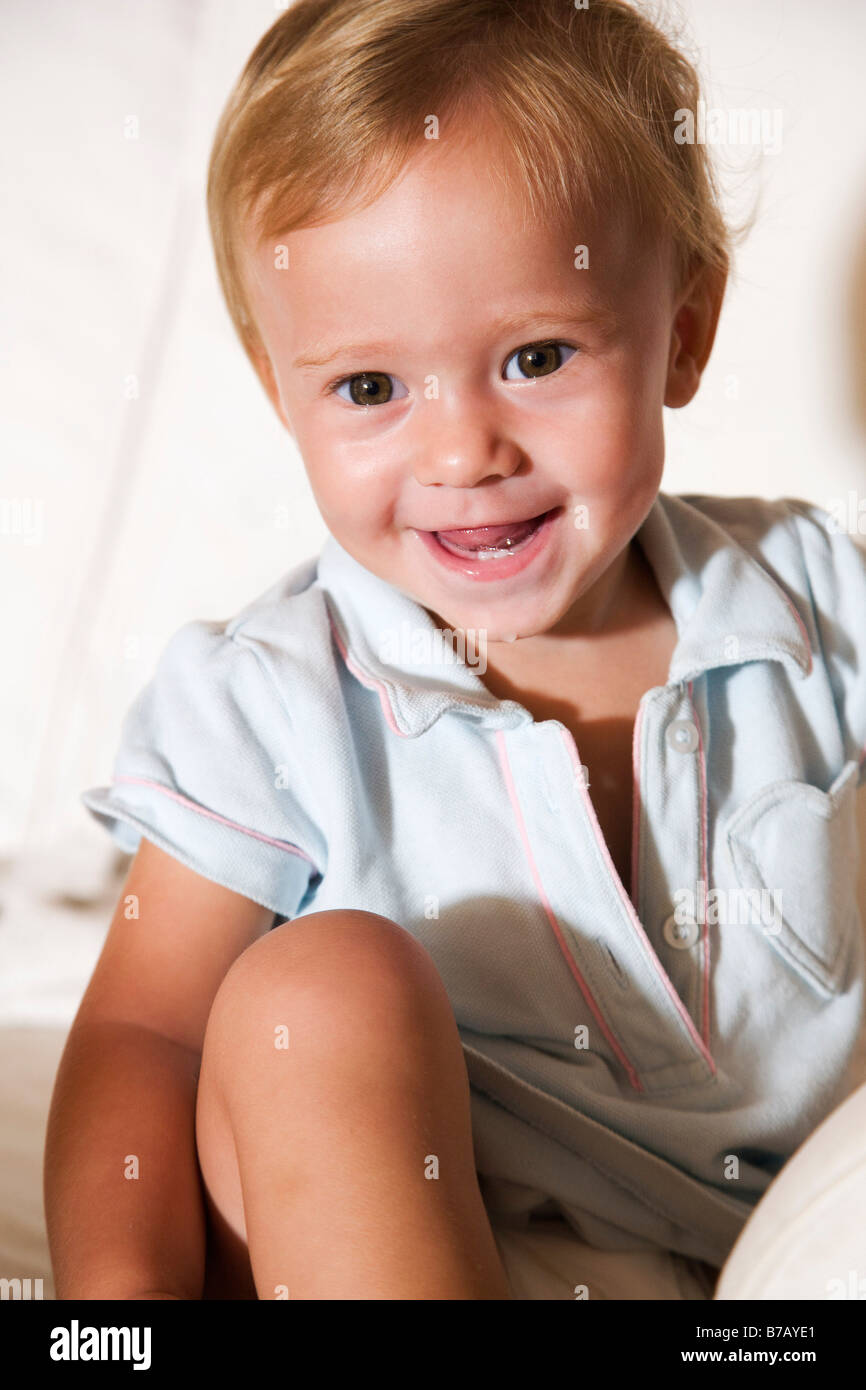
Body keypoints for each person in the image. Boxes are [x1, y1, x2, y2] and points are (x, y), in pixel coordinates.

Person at [44, 0, 866, 1300]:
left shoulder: (819, 600)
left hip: (780, 1269)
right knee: (310, 990)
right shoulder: (268, 697)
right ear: (282, 393)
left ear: (685, 333)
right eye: (370, 388)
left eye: (536, 357)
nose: (460, 454)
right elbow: (143, 1033)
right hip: (411, 1243)